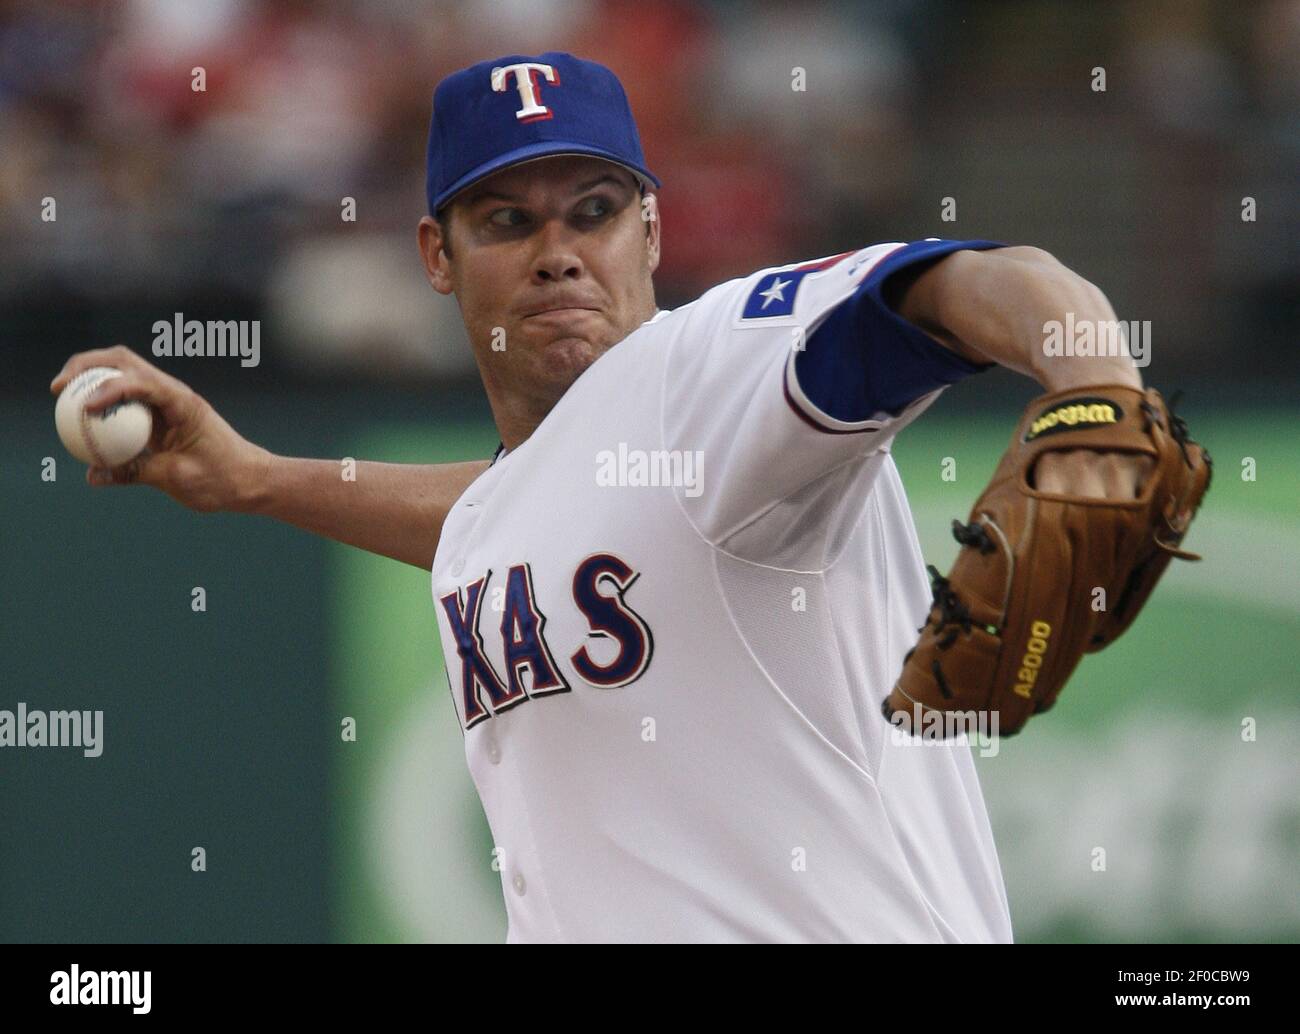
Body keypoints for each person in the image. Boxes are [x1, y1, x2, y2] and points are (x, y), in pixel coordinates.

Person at [53, 52, 1153, 943]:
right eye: (507, 221)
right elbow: (527, 511)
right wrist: (260, 479)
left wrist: (1095, 382)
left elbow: (970, 283)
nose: (558, 253)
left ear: (654, 231)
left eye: (593, 209)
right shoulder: (542, 488)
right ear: (436, 254)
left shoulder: (709, 372)